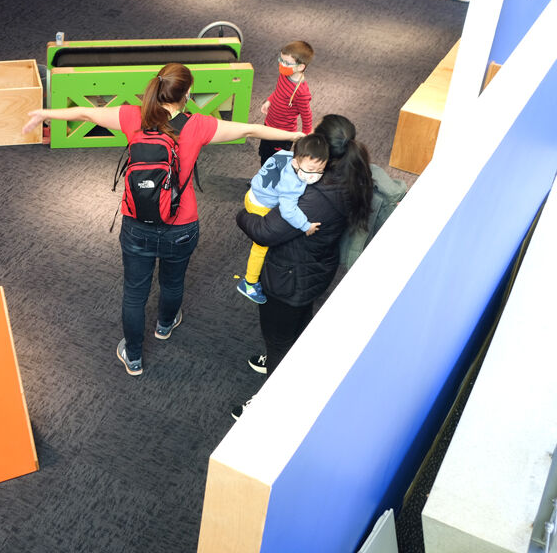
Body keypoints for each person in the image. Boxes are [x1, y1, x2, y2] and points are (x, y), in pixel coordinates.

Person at [22, 64, 303, 376]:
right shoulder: (198, 125)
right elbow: (252, 129)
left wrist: (45, 112)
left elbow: (86, 114)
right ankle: (165, 326)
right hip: (181, 227)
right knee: (172, 281)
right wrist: (297, 134)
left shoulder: (133, 116)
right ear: (185, 97)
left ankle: (133, 357)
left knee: (134, 293)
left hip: (136, 224)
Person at [232, 114, 373, 420]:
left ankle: (271, 400)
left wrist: (242, 215)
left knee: (279, 337)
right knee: (297, 325)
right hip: (316, 266)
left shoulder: (313, 195)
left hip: (289, 276)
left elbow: (265, 231)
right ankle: (277, 362)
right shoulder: (352, 173)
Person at [236, 133, 330, 304]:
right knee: (261, 246)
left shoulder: (285, 154)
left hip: (253, 193)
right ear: (296, 162)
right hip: (260, 206)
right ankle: (249, 283)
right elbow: (288, 211)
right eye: (309, 170)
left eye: (320, 170)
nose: (314, 175)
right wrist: (306, 225)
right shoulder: (292, 184)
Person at [258, 41, 315, 163]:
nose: (282, 65)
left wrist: (304, 136)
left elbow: (307, 115)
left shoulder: (301, 92)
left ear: (300, 67)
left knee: (274, 161)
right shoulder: (284, 75)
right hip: (269, 123)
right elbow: (278, 92)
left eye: (287, 63)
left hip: (283, 134)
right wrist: (269, 101)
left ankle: (270, 181)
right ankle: (261, 179)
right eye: (281, 60)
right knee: (264, 155)